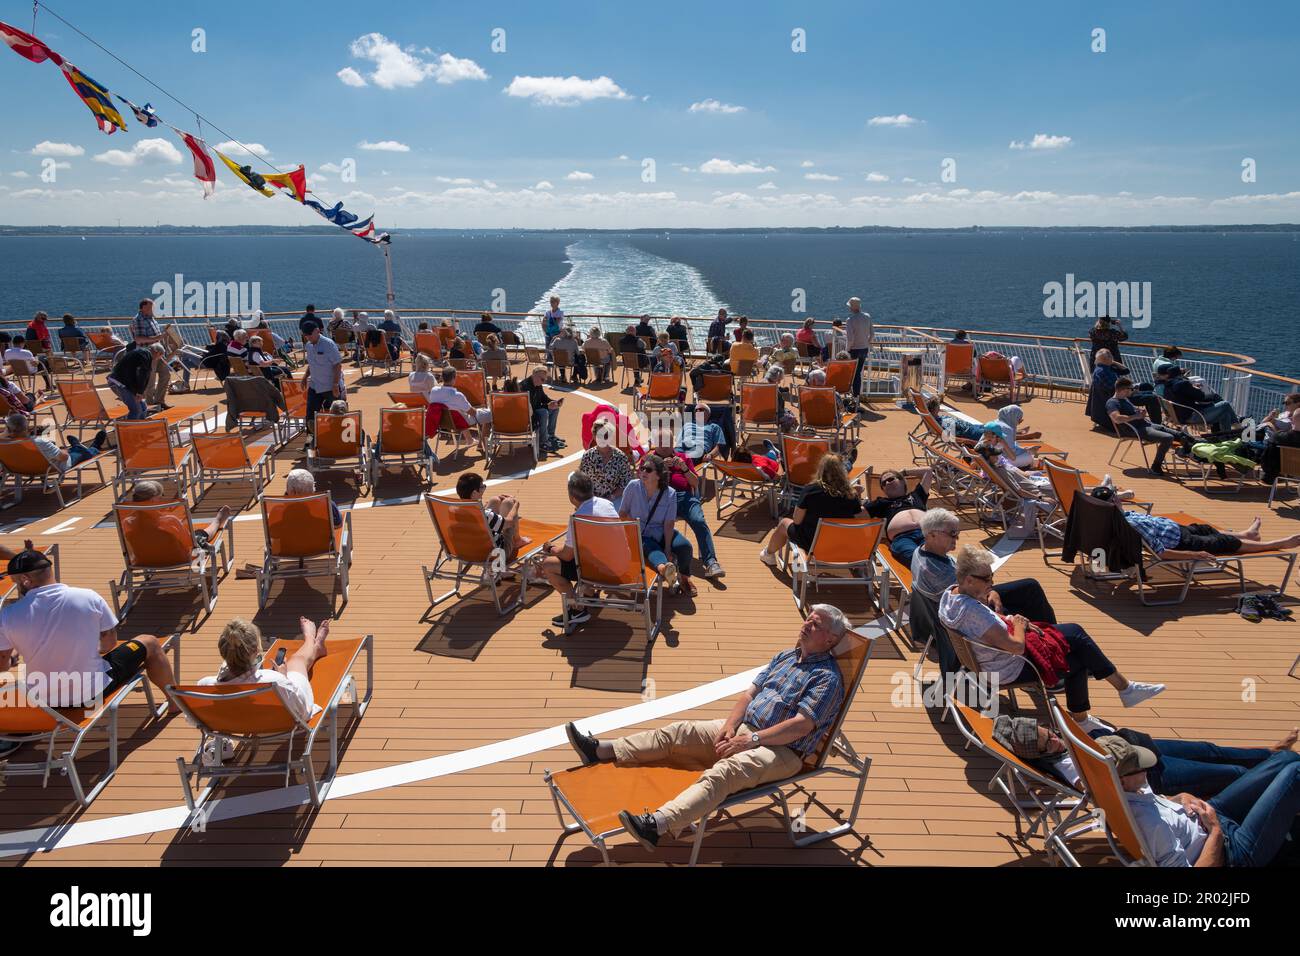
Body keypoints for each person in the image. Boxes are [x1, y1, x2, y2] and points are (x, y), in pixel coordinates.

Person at [563, 604, 848, 852]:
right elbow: (749, 694)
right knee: (678, 732)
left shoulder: (827, 678)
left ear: (831, 639)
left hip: (783, 750)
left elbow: (801, 726)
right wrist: (730, 724)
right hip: (746, 729)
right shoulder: (787, 656)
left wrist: (751, 740)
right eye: (808, 618)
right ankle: (600, 751)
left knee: (725, 772)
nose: (807, 624)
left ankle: (657, 824)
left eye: (816, 624)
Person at [940, 543, 1165, 728]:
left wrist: (991, 598)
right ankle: (1113, 697)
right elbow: (1017, 647)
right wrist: (1019, 623)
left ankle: (1114, 697)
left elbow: (982, 622)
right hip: (1007, 668)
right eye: (988, 579)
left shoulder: (950, 596)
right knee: (1076, 650)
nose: (992, 582)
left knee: (1076, 641)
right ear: (969, 580)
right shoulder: (977, 614)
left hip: (984, 662)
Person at [0, 543, 178, 711]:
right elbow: (108, 645)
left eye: (16, 582)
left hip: (42, 700)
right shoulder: (88, 597)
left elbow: (3, 665)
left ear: (25, 580)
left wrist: (19, 651)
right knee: (150, 642)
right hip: (91, 693)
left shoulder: (8, 615)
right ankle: (174, 703)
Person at [993, 712, 1298, 802]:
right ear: (1043, 756)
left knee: (1209, 749)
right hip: (1151, 774)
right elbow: (1099, 790)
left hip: (1138, 747)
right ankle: (1281, 784)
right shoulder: (1069, 769)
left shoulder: (1058, 746)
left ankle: (1272, 753)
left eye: (1051, 732)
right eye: (1050, 743)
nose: (1057, 739)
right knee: (1230, 773)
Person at [1111, 736, 1300, 867]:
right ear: (1121, 780)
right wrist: (1216, 831)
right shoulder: (1150, 825)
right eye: (1140, 768)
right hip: (1232, 850)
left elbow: (1158, 806)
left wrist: (1178, 798)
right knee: (1295, 773)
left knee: (1286, 758)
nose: (1146, 770)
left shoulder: (1124, 791)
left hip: (1212, 814)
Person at [198, 618, 327, 734]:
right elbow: (302, 711)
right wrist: (284, 678)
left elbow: (195, 720)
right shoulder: (273, 681)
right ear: (255, 651)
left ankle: (315, 646)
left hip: (237, 724)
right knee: (297, 661)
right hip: (277, 722)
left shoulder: (205, 687)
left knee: (295, 663)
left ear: (223, 652)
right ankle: (311, 640)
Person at [538, 471, 620, 627]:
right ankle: (589, 593)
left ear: (572, 498)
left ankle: (577, 609)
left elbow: (567, 556)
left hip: (601, 572)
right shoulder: (606, 504)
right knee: (587, 555)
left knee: (549, 564)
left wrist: (551, 548)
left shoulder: (578, 519)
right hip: (621, 565)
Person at [759, 455, 863, 564]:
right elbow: (858, 520)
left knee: (784, 523)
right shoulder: (851, 494)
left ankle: (768, 554)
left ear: (821, 470)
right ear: (843, 472)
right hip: (842, 545)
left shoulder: (811, 490)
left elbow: (797, 521)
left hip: (812, 542)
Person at [620, 453, 695, 596]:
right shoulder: (632, 486)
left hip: (660, 531)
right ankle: (665, 570)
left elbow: (668, 523)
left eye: (648, 470)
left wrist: (667, 547)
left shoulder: (670, 494)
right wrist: (631, 531)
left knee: (685, 547)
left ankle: (684, 578)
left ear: (659, 475)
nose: (643, 472)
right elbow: (622, 513)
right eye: (642, 468)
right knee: (651, 548)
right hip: (638, 532)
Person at [1119, 502, 1300, 559]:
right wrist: (1194, 555)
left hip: (1178, 531)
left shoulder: (1122, 515)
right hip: (1182, 543)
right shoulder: (1132, 525)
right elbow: (1160, 552)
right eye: (1115, 498)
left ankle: (1247, 535)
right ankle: (1277, 543)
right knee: (1225, 543)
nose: (1119, 500)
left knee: (1205, 529)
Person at [654, 438, 724, 579]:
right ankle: (663, 556)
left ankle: (711, 562)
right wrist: (662, 470)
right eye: (660, 443)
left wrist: (684, 468)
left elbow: (695, 482)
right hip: (660, 499)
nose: (663, 447)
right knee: (655, 525)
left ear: (671, 443)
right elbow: (644, 487)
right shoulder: (650, 461)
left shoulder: (683, 457)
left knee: (699, 521)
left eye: (666, 443)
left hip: (684, 497)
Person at [1107, 377, 1196, 475]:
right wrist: (1136, 416)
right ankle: (1156, 466)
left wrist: (1139, 411)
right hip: (1137, 430)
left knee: (1179, 434)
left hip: (1146, 425)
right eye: (1131, 389)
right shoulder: (1112, 403)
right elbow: (1117, 419)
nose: (1133, 391)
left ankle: (1194, 445)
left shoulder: (1125, 399)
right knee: (1168, 438)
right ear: (1124, 390)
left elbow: (1133, 411)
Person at [129, 480, 233, 552]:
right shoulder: (169, 521)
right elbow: (190, 542)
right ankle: (218, 521)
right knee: (198, 535)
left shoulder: (127, 523)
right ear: (152, 501)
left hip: (146, 560)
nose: (162, 500)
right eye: (160, 497)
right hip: (175, 558)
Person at [864, 467, 934, 564]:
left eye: (891, 479)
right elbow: (858, 513)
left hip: (927, 533)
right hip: (903, 538)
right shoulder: (881, 503)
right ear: (883, 490)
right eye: (884, 483)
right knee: (916, 559)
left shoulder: (917, 495)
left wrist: (904, 472)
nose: (887, 483)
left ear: (902, 482)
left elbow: (928, 471)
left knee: (935, 555)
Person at [4, 412, 107, 472]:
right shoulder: (39, 442)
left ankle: (76, 446)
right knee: (84, 453)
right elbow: (64, 457)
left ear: (8, 428)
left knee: (68, 450)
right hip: (56, 466)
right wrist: (64, 450)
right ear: (26, 427)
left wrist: (7, 432)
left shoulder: (4, 443)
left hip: (21, 469)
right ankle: (95, 445)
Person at [424, 365, 492, 452]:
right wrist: (481, 410)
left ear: (443, 378)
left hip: (444, 422)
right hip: (461, 420)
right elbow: (472, 413)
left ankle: (473, 441)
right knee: (489, 415)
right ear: (454, 378)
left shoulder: (434, 391)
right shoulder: (457, 395)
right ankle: (482, 446)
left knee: (461, 412)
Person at [456, 472, 520, 561]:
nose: (484, 489)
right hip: (495, 554)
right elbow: (510, 522)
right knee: (508, 503)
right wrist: (515, 504)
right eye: (482, 487)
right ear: (474, 493)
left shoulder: (456, 510)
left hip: (469, 550)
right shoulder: (483, 515)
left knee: (495, 500)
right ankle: (518, 539)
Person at [1164, 366, 1239, 431]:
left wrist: (1191, 387)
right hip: (1193, 416)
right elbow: (1201, 397)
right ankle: (1238, 426)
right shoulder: (1183, 384)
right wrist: (1196, 388)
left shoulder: (1167, 387)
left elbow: (1184, 396)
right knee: (1225, 404)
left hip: (1180, 416)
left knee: (1225, 414)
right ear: (1179, 374)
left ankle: (1226, 435)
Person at [579, 422, 635, 508]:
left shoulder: (621, 457)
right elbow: (582, 482)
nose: (602, 439)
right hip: (591, 498)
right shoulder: (587, 456)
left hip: (615, 498)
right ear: (594, 436)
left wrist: (611, 497)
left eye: (606, 436)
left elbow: (626, 482)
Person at [130, 298, 172, 407]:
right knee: (150, 379)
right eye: (150, 306)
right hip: (147, 352)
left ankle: (159, 401)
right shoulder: (138, 319)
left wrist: (163, 336)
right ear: (143, 307)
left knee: (166, 375)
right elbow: (138, 339)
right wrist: (157, 338)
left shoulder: (151, 318)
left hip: (158, 351)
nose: (152, 308)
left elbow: (156, 336)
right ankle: (149, 405)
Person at [301, 322, 344, 427]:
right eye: (306, 335)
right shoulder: (308, 346)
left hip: (330, 386)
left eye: (310, 334)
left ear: (317, 331)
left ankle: (339, 437)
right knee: (310, 417)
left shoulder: (328, 344)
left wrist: (335, 384)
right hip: (315, 386)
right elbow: (311, 364)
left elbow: (337, 365)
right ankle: (312, 437)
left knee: (338, 414)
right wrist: (305, 377)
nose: (308, 337)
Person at [107, 342, 157, 420]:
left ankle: (141, 427)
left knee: (143, 407)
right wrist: (139, 392)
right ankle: (130, 430)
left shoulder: (141, 353)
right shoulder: (146, 355)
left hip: (123, 382)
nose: (157, 359)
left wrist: (138, 391)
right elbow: (144, 373)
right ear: (157, 352)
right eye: (160, 356)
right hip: (119, 383)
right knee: (136, 410)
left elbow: (141, 374)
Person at [1086, 349, 1131, 430]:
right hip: (1119, 396)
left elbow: (1126, 371)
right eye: (1110, 356)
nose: (1112, 357)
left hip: (1121, 392)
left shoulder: (1107, 367)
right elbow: (1112, 388)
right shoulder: (1101, 371)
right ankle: (1151, 422)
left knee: (1146, 391)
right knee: (1150, 398)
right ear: (1106, 359)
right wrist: (1129, 391)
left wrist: (1113, 362)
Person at [526, 367, 564, 453]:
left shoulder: (538, 385)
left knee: (555, 408)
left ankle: (550, 435)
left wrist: (553, 402)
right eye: (542, 379)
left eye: (545, 380)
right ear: (534, 375)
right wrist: (547, 407)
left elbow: (543, 398)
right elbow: (531, 407)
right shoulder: (525, 387)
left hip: (534, 411)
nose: (543, 382)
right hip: (528, 415)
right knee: (544, 412)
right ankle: (542, 442)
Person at [845, 296, 873, 399]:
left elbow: (850, 339)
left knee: (854, 373)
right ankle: (856, 396)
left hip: (854, 350)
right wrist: (866, 343)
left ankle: (855, 396)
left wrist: (847, 349)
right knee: (858, 372)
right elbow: (872, 334)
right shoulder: (867, 316)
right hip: (864, 349)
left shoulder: (850, 320)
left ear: (852, 307)